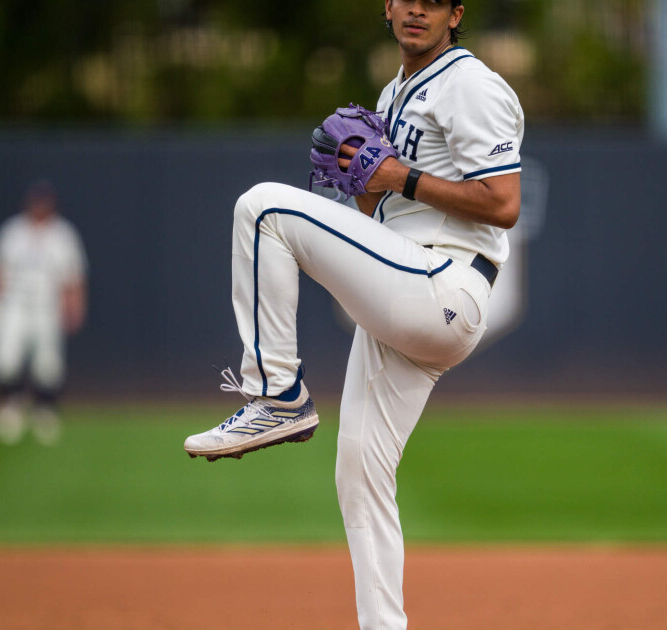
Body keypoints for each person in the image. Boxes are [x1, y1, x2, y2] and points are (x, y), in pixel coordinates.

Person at [183, 0, 523, 628]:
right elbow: (386, 205)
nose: (417, 9)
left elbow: (503, 202)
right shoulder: (394, 91)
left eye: (434, 0)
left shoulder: (470, 83)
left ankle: (276, 394)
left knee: (261, 208)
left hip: (445, 284)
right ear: (387, 7)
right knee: (360, 471)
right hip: (407, 282)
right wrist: (366, 186)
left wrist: (398, 176)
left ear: (456, 13)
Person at [0, 181, 87, 446]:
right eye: (36, 202)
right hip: (13, 303)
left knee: (48, 363)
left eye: (44, 202)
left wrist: (75, 306)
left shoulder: (62, 234)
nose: (40, 207)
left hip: (47, 305)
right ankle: (10, 405)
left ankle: (45, 410)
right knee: (4, 358)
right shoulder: (12, 232)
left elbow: (74, 277)